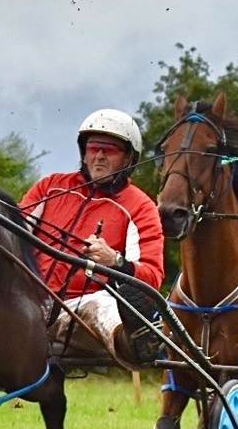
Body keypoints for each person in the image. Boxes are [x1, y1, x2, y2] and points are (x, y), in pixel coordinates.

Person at [20, 109, 166, 366]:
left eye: (109, 150)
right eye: (93, 148)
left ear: (129, 158)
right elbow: (14, 232)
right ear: (83, 153)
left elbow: (152, 276)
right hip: (29, 300)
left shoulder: (140, 206)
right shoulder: (50, 187)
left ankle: (137, 342)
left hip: (82, 308)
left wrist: (116, 261)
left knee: (103, 308)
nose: (98, 156)